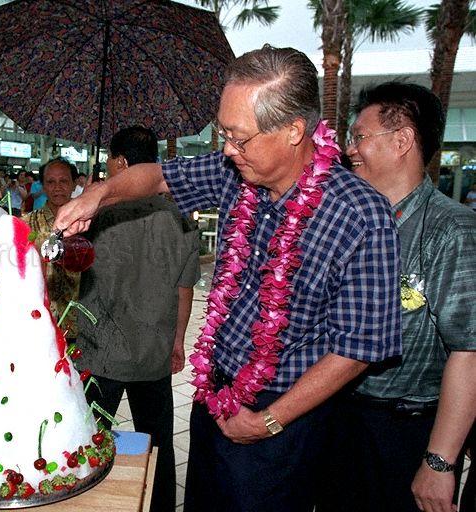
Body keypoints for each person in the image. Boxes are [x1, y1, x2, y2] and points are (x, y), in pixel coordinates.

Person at [54, 45, 402, 511]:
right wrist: (99, 197)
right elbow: (156, 177)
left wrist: (269, 421)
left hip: (282, 415)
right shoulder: (235, 175)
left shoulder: (360, 213)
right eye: (224, 134)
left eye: (240, 138)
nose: (228, 150)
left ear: (295, 131)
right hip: (214, 395)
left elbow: (359, 348)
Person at [319, 82, 476, 512]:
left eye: (359, 137)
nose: (350, 149)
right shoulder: (347, 221)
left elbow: (470, 352)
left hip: (405, 433)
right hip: (339, 420)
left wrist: (440, 462)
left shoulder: (451, 229)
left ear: (403, 140)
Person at [77, 126, 199, 512]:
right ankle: (160, 506)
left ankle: (87, 502)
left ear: (121, 162)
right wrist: (178, 342)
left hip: (100, 351)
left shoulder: (94, 211)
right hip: (154, 351)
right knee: (157, 444)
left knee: (87, 442)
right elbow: (185, 287)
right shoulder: (180, 213)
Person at [23, 158, 80, 338]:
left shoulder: (86, 223)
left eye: (63, 181)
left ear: (73, 184)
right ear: (44, 186)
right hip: (40, 325)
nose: (57, 187)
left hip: (81, 324)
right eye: (51, 182)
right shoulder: (26, 224)